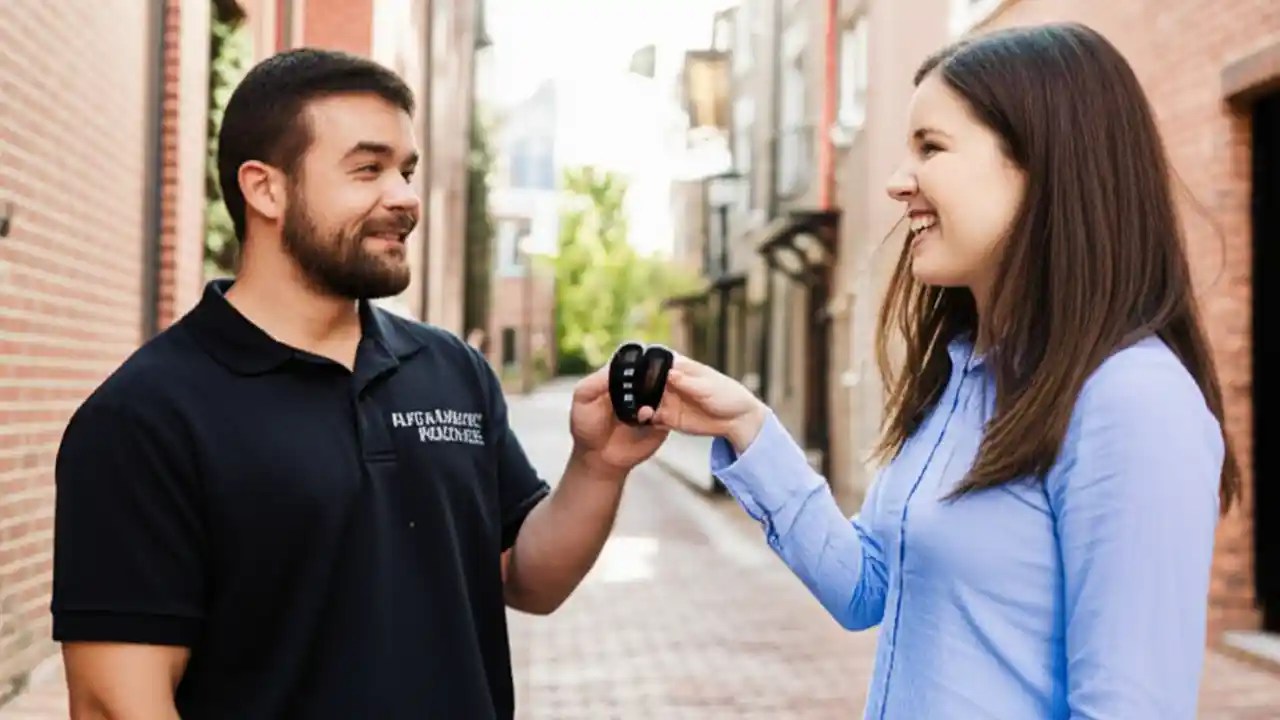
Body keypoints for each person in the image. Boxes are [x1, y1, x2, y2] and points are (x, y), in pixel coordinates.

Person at [644, 22, 1239, 720]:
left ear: (1042, 164)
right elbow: (868, 587)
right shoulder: (965, 379)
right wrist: (750, 428)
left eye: (932, 147)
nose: (900, 182)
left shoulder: (1131, 402)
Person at [51, 48, 666, 720]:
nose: (403, 196)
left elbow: (526, 577)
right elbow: (116, 703)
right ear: (265, 189)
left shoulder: (451, 370)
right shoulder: (146, 417)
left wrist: (599, 467)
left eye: (406, 170)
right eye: (367, 169)